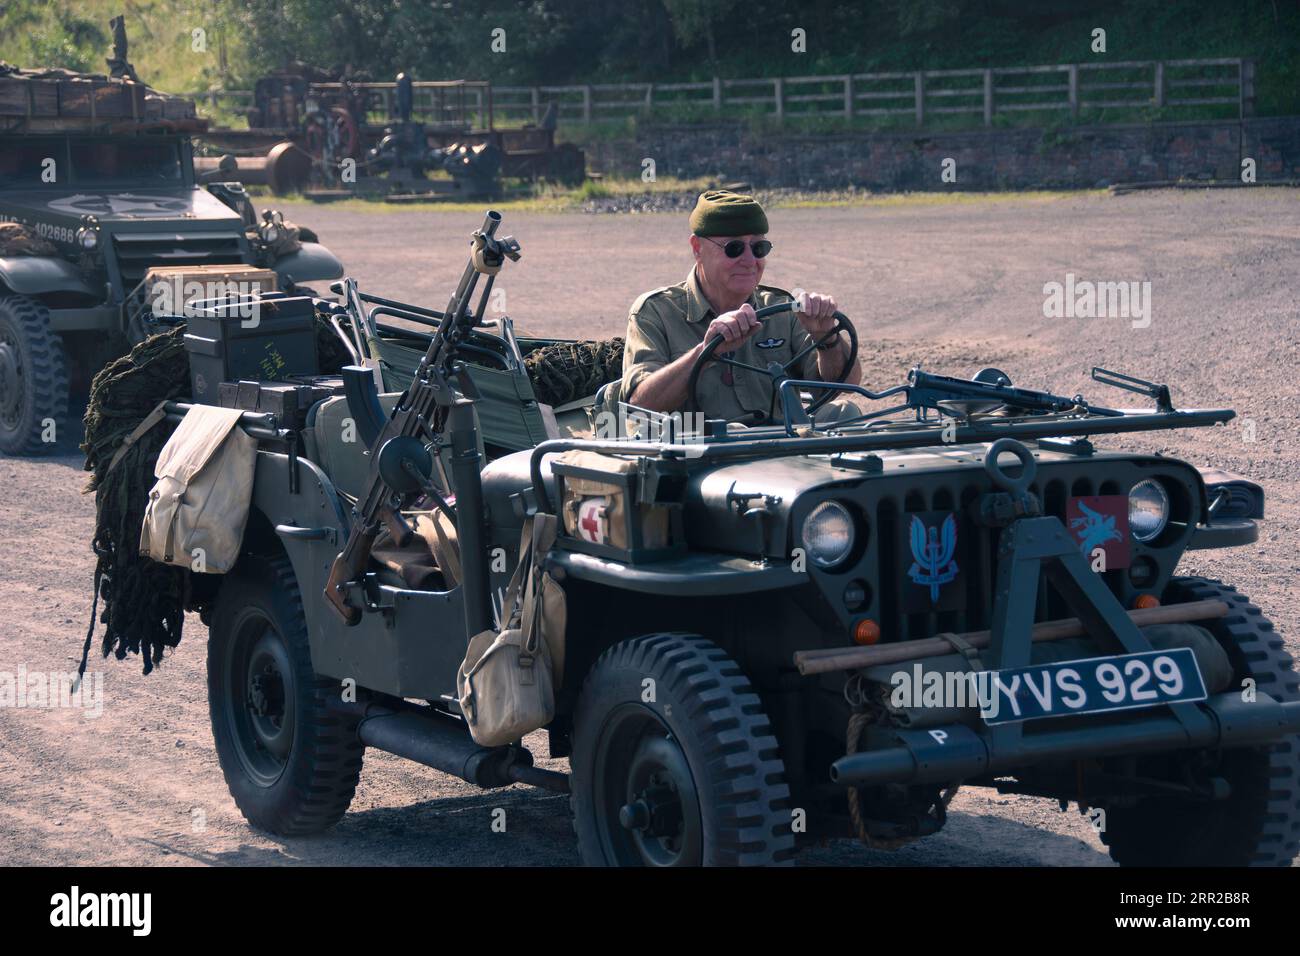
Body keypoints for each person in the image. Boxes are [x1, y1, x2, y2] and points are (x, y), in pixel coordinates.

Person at [621, 189, 861, 425]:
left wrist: (826, 338)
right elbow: (639, 405)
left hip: (783, 447)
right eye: (734, 249)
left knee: (845, 412)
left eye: (759, 249)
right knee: (733, 429)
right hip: (703, 452)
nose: (749, 261)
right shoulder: (656, 312)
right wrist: (705, 352)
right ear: (697, 248)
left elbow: (845, 383)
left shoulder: (781, 310)